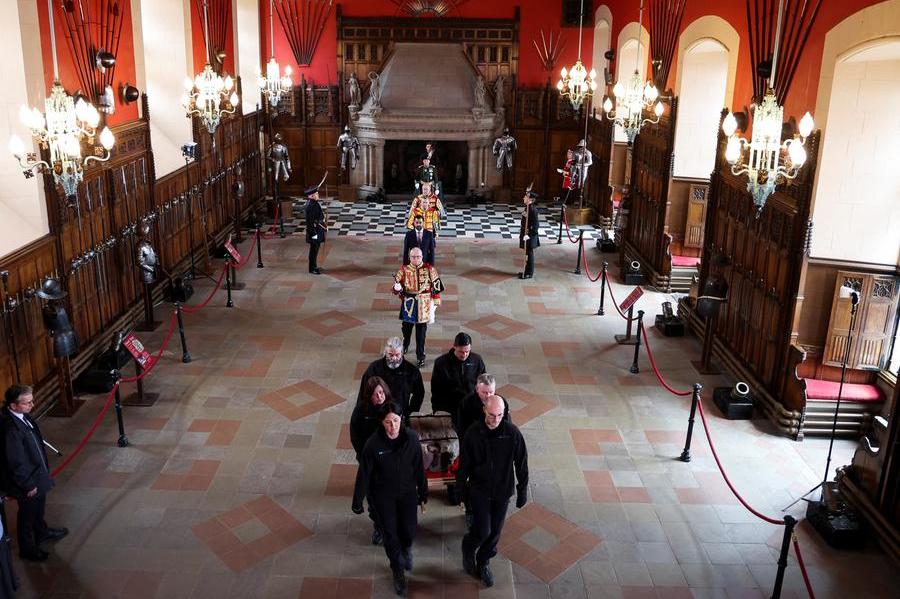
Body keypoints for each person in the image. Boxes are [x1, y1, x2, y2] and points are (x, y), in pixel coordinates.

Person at [352, 402, 427, 596]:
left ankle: (406, 548)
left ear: (401, 419)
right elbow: (364, 474)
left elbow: (419, 467)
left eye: (395, 420)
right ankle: (397, 569)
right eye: (388, 422)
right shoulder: (373, 445)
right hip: (383, 496)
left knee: (409, 530)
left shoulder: (411, 439)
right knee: (390, 534)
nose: (392, 426)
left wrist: (423, 491)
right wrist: (357, 500)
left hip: (407, 493)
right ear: (381, 422)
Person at [457, 395, 528, 588]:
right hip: (479, 490)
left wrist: (522, 490)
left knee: (495, 532)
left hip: (502, 491)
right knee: (482, 531)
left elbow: (521, 463)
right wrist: (461, 491)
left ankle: (483, 561)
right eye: (491, 415)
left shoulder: (512, 433)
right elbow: (464, 466)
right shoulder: (473, 434)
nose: (495, 419)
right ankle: (468, 547)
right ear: (484, 410)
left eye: (499, 415)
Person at [1, 385, 68, 562]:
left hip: (36, 473)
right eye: (27, 403)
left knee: (38, 508)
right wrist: (28, 485)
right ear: (13, 405)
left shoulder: (23, 416)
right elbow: (15, 462)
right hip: (27, 480)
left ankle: (42, 532)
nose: (32, 405)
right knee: (27, 515)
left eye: (32, 401)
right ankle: (27, 549)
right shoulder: (11, 430)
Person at [350, 376, 395, 546]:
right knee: (373, 496)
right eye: (375, 394)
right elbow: (355, 435)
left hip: (389, 460)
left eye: (381, 392)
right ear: (369, 396)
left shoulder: (392, 408)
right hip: (369, 460)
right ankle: (378, 526)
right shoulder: (361, 411)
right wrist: (364, 454)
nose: (379, 397)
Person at [393, 248, 442, 368]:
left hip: (423, 305)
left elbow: (437, 285)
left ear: (422, 257)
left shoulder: (430, 269)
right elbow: (396, 288)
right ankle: (405, 345)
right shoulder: (403, 270)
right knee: (406, 328)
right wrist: (397, 288)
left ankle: (420, 356)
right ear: (409, 258)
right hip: (408, 304)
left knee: (421, 333)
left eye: (418, 257)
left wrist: (436, 300)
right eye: (413, 257)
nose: (416, 259)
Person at [357, 337, 425, 420]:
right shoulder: (374, 368)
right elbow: (364, 393)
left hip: (400, 417)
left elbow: (419, 393)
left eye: (397, 355)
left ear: (402, 353)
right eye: (390, 355)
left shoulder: (411, 371)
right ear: (385, 352)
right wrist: (363, 414)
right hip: (377, 417)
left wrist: (410, 412)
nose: (394, 358)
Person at [430, 332, 486, 420]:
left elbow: (484, 382)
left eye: (467, 351)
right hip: (449, 407)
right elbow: (436, 389)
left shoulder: (477, 360)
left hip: (471, 406)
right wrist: (436, 410)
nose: (464, 355)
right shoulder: (441, 363)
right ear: (454, 347)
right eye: (461, 352)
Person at [456, 374, 509, 442]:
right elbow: (461, 429)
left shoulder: (501, 402)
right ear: (477, 389)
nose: (488, 396)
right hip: (474, 439)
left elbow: (506, 424)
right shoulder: (466, 403)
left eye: (491, 392)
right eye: (484, 392)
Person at [304, 177, 327, 275]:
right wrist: (313, 234)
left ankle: (314, 266)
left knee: (316, 250)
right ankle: (312, 268)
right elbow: (309, 223)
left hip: (318, 229)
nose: (318, 195)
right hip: (314, 231)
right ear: (312, 196)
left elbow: (318, 216)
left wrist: (324, 224)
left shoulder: (314, 203)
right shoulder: (310, 206)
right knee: (313, 251)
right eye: (316, 194)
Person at [519, 188, 540, 279]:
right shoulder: (527, 207)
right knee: (526, 253)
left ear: (530, 199)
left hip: (529, 235)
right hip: (525, 233)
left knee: (529, 254)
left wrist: (529, 235)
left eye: (525, 197)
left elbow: (536, 225)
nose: (523, 198)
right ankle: (526, 271)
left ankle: (529, 273)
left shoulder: (532, 210)